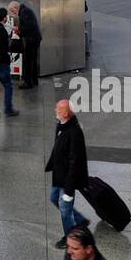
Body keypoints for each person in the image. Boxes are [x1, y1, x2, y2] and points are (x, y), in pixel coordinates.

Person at [45, 99, 90, 249]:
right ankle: (80, 220)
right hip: (59, 174)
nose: (55, 110)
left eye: (58, 109)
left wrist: (69, 191)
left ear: (66, 113)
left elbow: (75, 163)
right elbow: (58, 146)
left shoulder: (74, 133)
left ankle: (70, 237)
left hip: (67, 180)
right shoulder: (61, 125)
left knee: (65, 210)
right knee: (54, 198)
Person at [10, 0, 41, 89]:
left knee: (27, 60)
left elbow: (27, 26)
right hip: (35, 38)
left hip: (31, 39)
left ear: (16, 8)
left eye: (13, 11)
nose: (14, 14)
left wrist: (19, 31)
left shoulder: (24, 12)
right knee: (33, 60)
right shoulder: (26, 11)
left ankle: (28, 82)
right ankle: (34, 80)